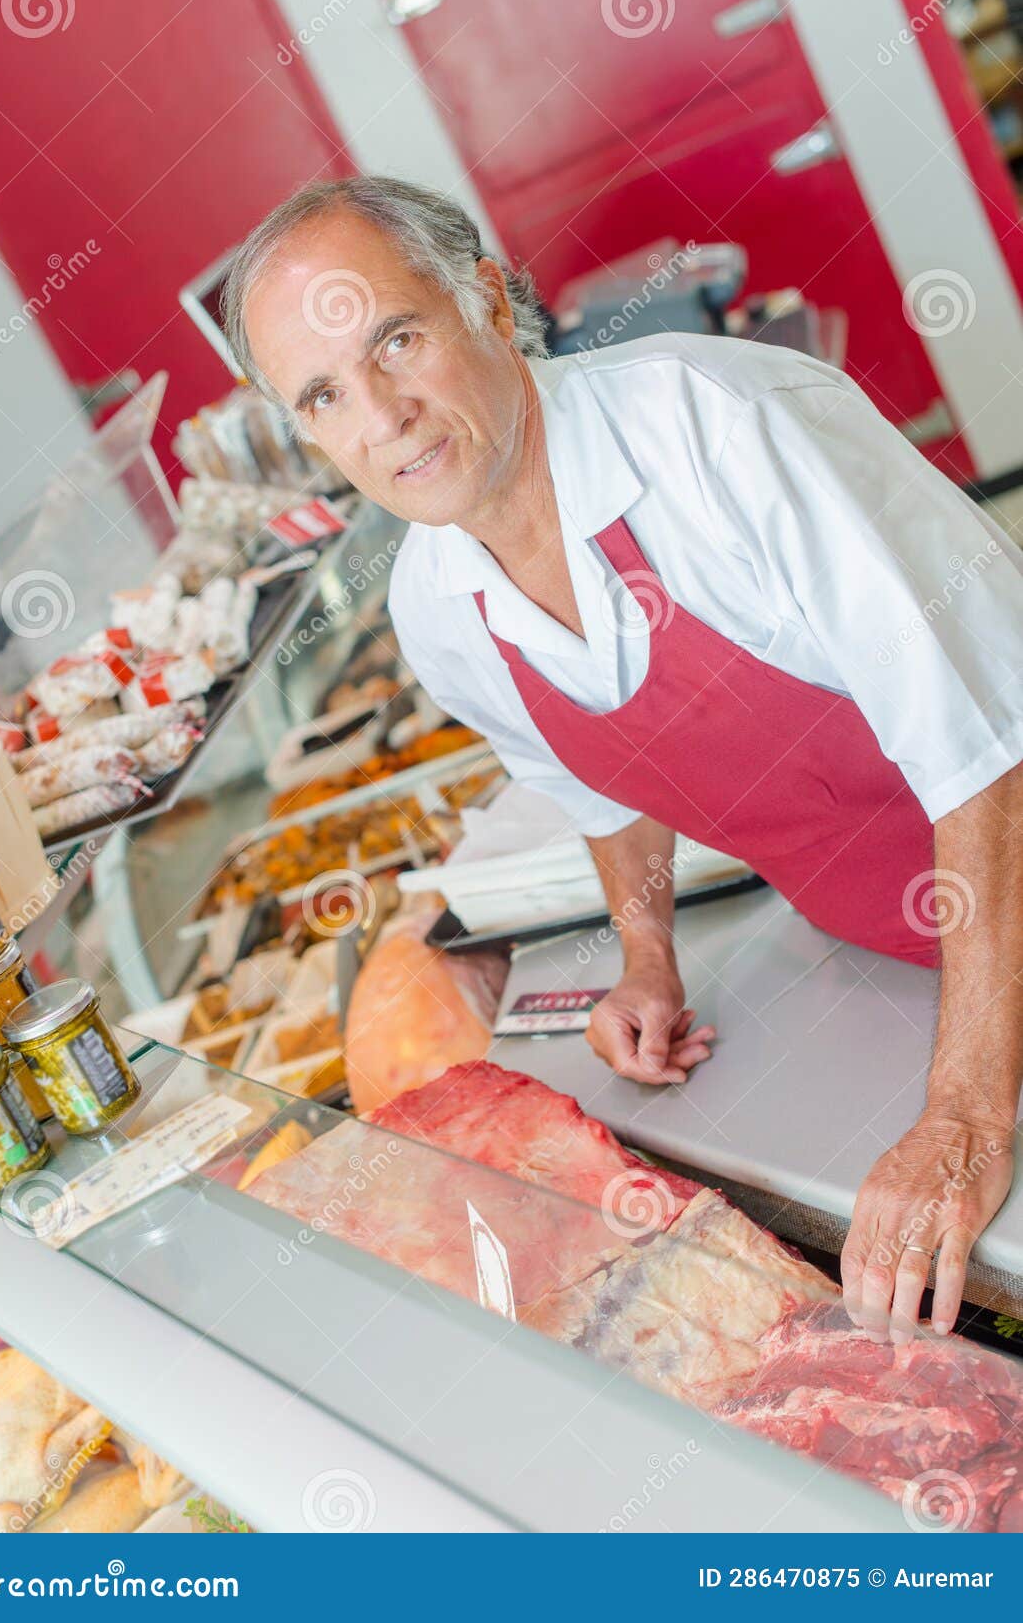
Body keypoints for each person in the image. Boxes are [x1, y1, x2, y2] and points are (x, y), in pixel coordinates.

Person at [225, 174, 1023, 1344]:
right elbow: (590, 778)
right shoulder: (438, 601)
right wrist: (646, 955)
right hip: (912, 965)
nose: (383, 414)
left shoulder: (723, 432)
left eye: (398, 338)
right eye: (326, 395)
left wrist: (965, 1112)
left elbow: (986, 743)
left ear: (489, 303)